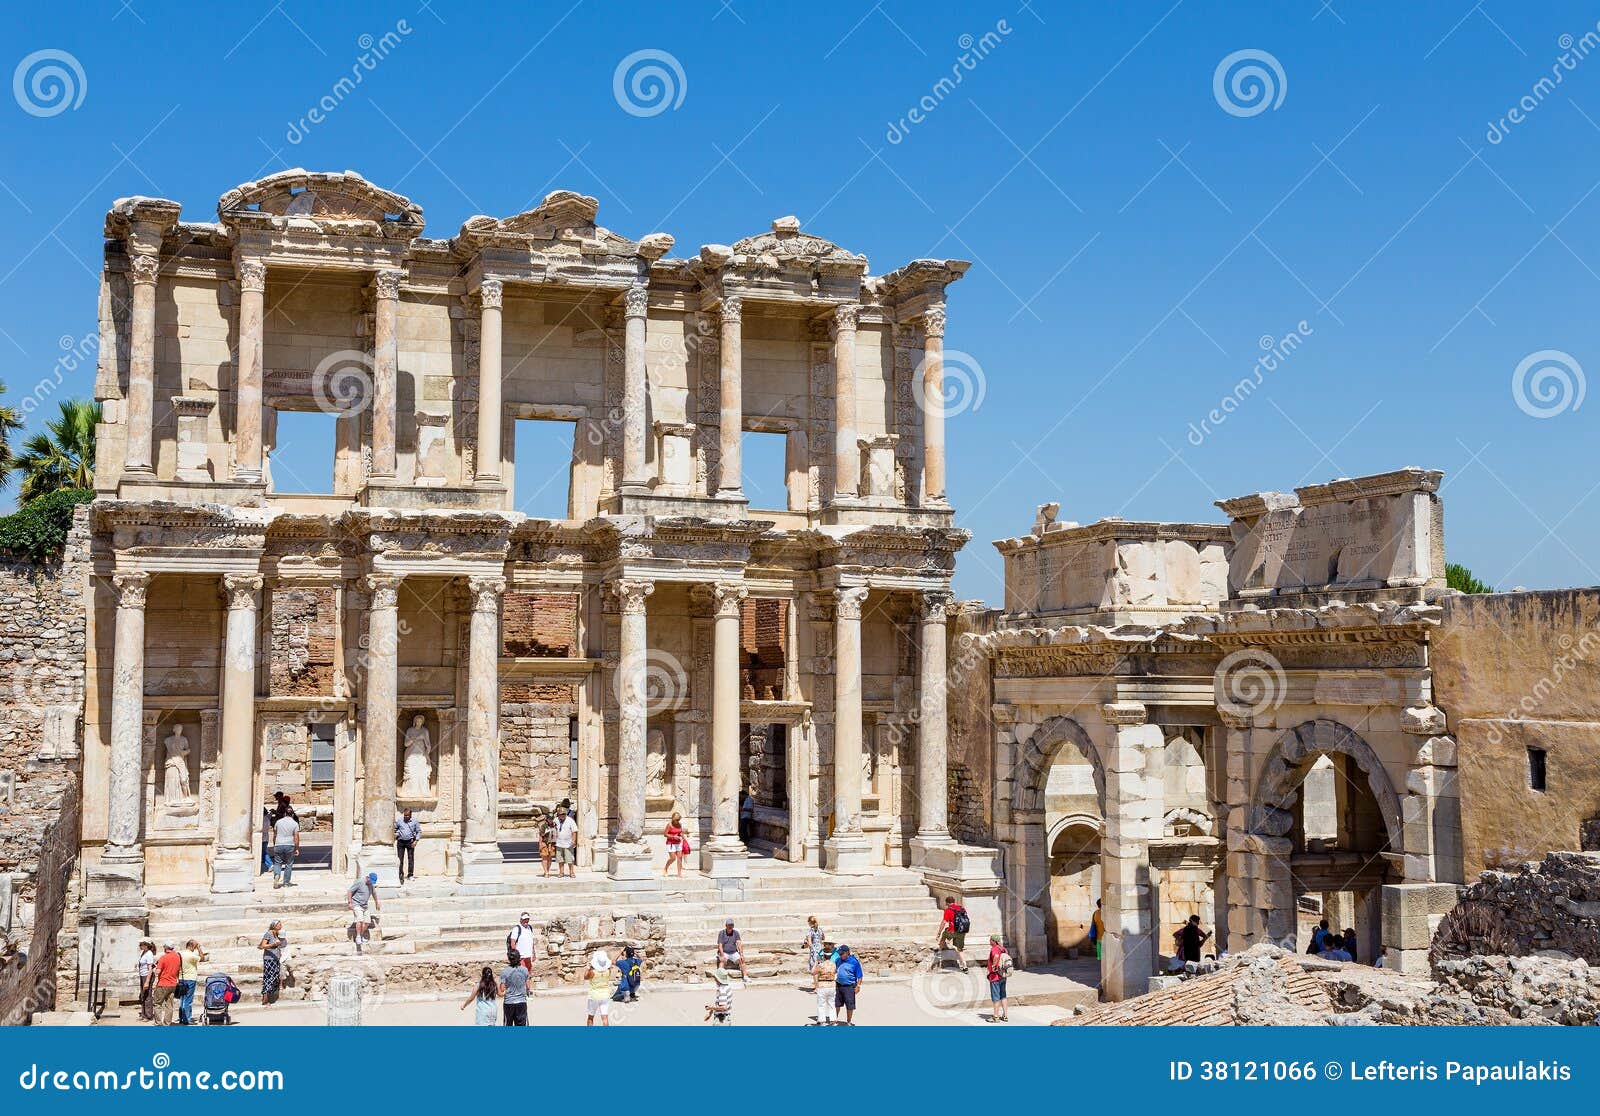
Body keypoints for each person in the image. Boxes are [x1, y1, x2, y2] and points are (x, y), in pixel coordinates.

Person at [347, 871, 381, 953]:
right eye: (370, 881)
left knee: (367, 922)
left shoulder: (371, 885)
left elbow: (374, 894)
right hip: (356, 904)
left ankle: (361, 935)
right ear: (368, 877)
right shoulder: (360, 882)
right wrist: (349, 903)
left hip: (365, 905)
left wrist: (377, 903)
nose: (371, 883)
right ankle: (358, 936)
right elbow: (350, 891)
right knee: (360, 919)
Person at [177, 939, 207, 1025]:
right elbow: (202, 958)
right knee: (188, 1000)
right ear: (191, 946)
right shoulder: (191, 955)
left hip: (181, 978)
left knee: (182, 999)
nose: (195, 948)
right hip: (190, 978)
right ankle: (187, 1019)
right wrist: (199, 948)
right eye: (194, 946)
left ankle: (181, 1018)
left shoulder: (180, 954)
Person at [832, 943, 864, 1025]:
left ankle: (849, 1021)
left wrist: (858, 986)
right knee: (836, 1004)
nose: (840, 955)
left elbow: (859, 975)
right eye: (839, 953)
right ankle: (835, 1020)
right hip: (838, 985)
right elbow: (834, 971)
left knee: (849, 1005)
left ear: (847, 953)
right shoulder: (838, 960)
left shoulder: (854, 962)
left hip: (849, 987)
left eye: (842, 953)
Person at [936, 895, 969, 971]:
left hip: (952, 931)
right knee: (960, 949)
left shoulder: (948, 910)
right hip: (961, 931)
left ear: (947, 903)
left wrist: (938, 933)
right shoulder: (962, 908)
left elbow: (944, 922)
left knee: (944, 935)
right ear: (954, 902)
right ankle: (965, 966)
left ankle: (939, 952)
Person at [269, 807, 299, 889]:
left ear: (285, 813)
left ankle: (277, 875)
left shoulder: (278, 822)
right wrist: (296, 848)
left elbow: (275, 835)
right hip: (290, 845)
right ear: (292, 814)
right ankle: (286, 883)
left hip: (278, 844)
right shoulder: (295, 824)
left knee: (277, 863)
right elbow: (296, 837)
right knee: (288, 864)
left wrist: (275, 844)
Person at [152, 942, 181, 1026]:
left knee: (157, 1003)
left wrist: (153, 969)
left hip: (163, 983)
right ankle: (167, 1023)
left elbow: (158, 972)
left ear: (165, 947)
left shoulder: (163, 958)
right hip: (173, 984)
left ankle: (158, 1023)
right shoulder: (177, 956)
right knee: (169, 1005)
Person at [986, 934, 1013, 1022]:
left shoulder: (994, 949)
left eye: (990, 940)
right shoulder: (1003, 949)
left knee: (996, 996)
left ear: (993, 941)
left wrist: (993, 966)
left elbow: (996, 957)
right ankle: (1005, 1015)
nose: (989, 941)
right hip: (1003, 976)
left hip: (995, 976)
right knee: (1003, 995)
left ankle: (996, 1016)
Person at [258, 921, 286, 1005]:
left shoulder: (277, 934)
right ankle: (265, 999)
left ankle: (268, 998)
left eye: (281, 924)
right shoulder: (268, 933)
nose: (280, 925)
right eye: (279, 924)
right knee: (269, 978)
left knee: (274, 978)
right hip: (269, 959)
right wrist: (273, 944)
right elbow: (262, 946)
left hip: (276, 959)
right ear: (274, 926)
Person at [584, 950, 614, 1026]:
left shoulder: (592, 972)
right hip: (605, 995)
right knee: (605, 1018)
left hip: (594, 995)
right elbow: (610, 966)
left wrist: (588, 968)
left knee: (591, 1017)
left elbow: (585, 977)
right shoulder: (608, 971)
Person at [498, 952, 529, 1025]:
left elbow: (502, 989)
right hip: (521, 1002)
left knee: (508, 1024)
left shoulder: (504, 971)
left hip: (509, 1002)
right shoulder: (525, 970)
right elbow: (528, 986)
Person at [716, 919, 749, 984]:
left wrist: (741, 954)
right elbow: (720, 945)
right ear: (726, 925)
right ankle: (720, 978)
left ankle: (745, 976)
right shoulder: (721, 933)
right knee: (722, 961)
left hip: (733, 952)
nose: (730, 926)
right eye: (729, 925)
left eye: (731, 925)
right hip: (724, 952)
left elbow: (739, 943)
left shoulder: (736, 933)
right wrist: (722, 955)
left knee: (742, 960)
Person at [394, 810, 421, 884]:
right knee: (400, 859)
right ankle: (400, 874)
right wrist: (397, 835)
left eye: (407, 815)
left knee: (411, 859)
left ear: (410, 815)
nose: (406, 817)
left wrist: (416, 841)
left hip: (410, 842)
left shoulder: (415, 822)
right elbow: (394, 829)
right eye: (405, 815)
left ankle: (410, 874)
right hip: (401, 842)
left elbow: (419, 831)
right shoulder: (399, 821)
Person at [553, 805, 579, 878]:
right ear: (558, 814)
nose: (562, 815)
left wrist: (574, 840)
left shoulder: (570, 820)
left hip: (568, 843)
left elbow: (574, 831)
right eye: (561, 814)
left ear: (566, 814)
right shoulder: (556, 820)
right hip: (558, 843)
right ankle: (561, 872)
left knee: (570, 859)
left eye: (564, 814)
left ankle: (572, 872)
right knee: (560, 859)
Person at [803, 915, 826, 992]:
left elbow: (809, 943)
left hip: (814, 952)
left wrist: (806, 945)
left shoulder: (810, 931)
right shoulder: (820, 929)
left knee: (814, 970)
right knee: (819, 969)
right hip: (820, 951)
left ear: (810, 923)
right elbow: (823, 938)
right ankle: (819, 985)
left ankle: (817, 987)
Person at [810, 953, 835, 1025]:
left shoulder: (821, 965)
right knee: (831, 1003)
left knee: (821, 1004)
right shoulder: (833, 964)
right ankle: (833, 1020)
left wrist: (815, 963)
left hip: (822, 985)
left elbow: (813, 972)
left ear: (824, 956)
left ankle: (822, 1020)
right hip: (832, 985)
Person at [136, 940, 156, 1021]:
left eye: (141, 944)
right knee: (143, 995)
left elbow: (150, 968)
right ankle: (144, 1014)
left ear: (146, 945)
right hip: (142, 975)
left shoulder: (149, 954)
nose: (140, 946)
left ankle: (148, 1015)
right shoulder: (144, 952)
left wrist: (147, 981)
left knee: (147, 995)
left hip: (147, 976)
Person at [663, 812, 688, 877]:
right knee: (673, 858)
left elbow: (680, 832)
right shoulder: (669, 825)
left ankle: (679, 873)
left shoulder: (679, 824)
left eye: (678, 820)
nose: (678, 821)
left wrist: (682, 835)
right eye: (676, 820)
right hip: (670, 843)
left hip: (678, 843)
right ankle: (665, 868)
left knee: (680, 857)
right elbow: (665, 834)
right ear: (673, 819)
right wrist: (673, 837)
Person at [539, 810, 557, 877]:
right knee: (544, 857)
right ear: (547, 819)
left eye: (552, 819)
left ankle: (547, 871)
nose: (551, 820)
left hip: (551, 843)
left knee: (550, 858)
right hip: (545, 842)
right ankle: (546, 872)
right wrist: (540, 844)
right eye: (549, 819)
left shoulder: (555, 825)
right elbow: (540, 835)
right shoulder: (543, 826)